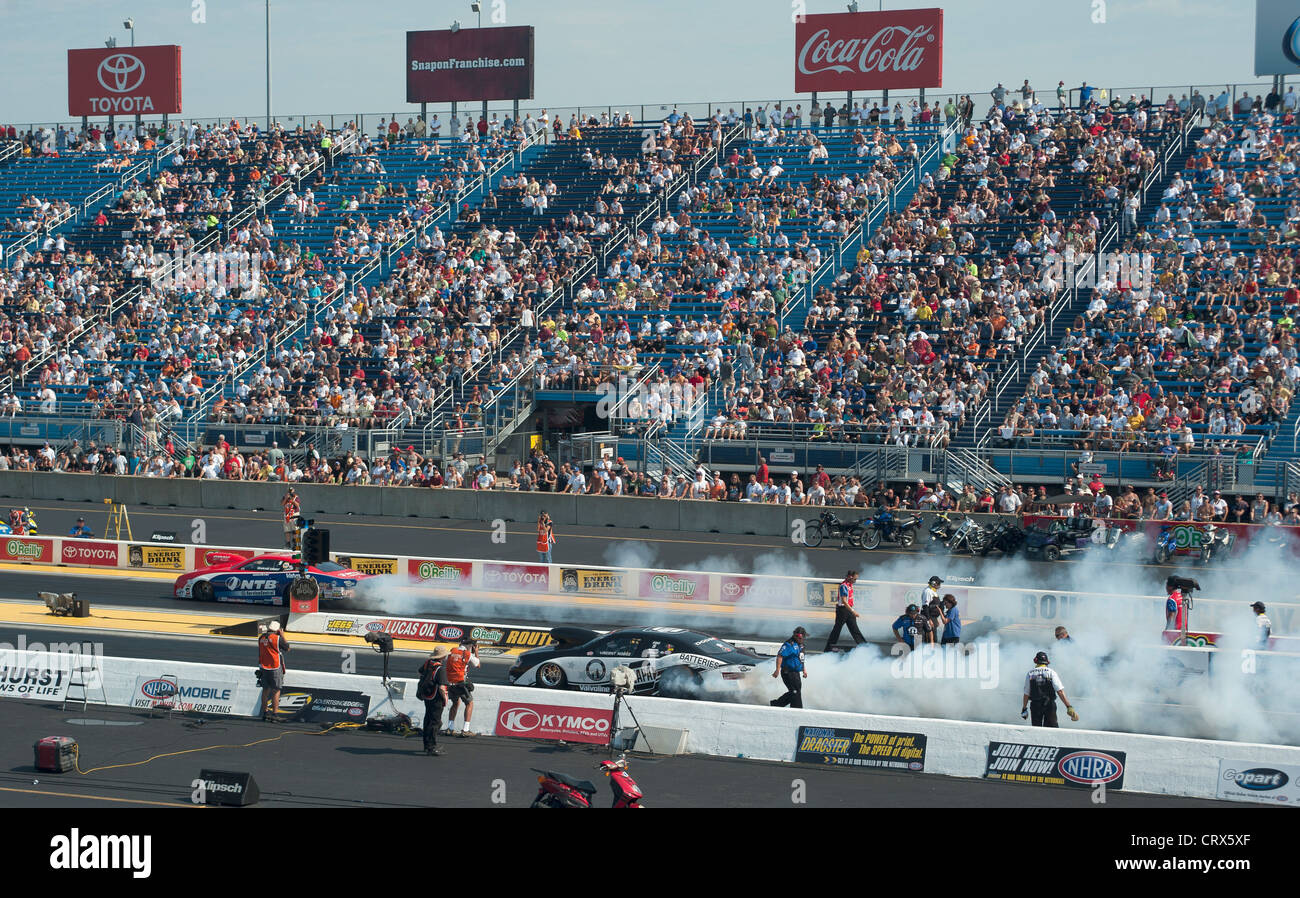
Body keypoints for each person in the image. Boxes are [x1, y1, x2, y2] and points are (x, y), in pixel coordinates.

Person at [1021, 651, 1076, 727]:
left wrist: (1024, 708)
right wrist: (1068, 706)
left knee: (1036, 729)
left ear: (1036, 661)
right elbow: (1060, 691)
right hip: (1049, 705)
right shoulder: (1051, 672)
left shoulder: (1030, 673)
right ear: (1047, 662)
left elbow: (1026, 693)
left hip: (1035, 706)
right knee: (1052, 729)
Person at [417, 646, 451, 756]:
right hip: (436, 698)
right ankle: (432, 747)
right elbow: (442, 687)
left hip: (427, 696)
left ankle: (426, 745)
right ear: (443, 656)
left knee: (427, 720)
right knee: (435, 722)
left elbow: (420, 672)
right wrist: (445, 699)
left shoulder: (428, 663)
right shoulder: (440, 669)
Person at [443, 636, 480, 737]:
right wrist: (476, 652)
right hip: (460, 682)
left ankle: (450, 728)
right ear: (470, 646)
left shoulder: (452, 650)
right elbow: (477, 664)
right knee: (469, 703)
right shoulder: (467, 654)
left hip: (449, 682)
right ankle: (465, 729)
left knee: (455, 703)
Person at [824, 570, 866, 651]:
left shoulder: (850, 585)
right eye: (855, 579)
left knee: (855, 630)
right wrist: (853, 611)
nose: (855, 581)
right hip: (843, 611)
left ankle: (865, 648)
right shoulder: (844, 586)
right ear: (850, 577)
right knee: (836, 631)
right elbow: (844, 601)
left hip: (848, 610)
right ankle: (827, 650)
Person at [257, 621, 289, 720]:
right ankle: (275, 714)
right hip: (275, 667)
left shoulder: (261, 638)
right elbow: (287, 648)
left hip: (263, 666)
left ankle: (265, 713)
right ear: (278, 630)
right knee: (276, 690)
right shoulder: (277, 638)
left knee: (265, 690)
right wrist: (283, 636)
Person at [770, 626, 807, 708]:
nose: (800, 639)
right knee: (795, 692)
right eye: (798, 637)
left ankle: (776, 704)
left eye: (802, 637)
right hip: (788, 672)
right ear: (795, 635)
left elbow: (802, 658)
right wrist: (777, 670)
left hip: (796, 673)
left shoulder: (802, 645)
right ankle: (796, 709)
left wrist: (804, 670)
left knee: (796, 692)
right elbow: (780, 656)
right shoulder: (789, 644)